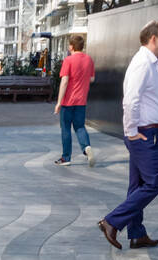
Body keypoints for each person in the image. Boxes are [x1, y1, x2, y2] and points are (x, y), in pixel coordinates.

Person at [99, 19, 158, 250]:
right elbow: (130, 100)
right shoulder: (143, 63)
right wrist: (131, 132)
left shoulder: (154, 63)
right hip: (145, 134)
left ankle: (137, 234)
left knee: (137, 186)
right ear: (153, 38)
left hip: (147, 132)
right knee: (154, 184)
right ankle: (112, 221)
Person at [54, 35, 96, 167]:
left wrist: (59, 102)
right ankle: (86, 147)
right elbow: (92, 79)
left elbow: (65, 81)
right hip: (81, 101)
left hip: (68, 102)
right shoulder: (89, 60)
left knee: (66, 128)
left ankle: (66, 158)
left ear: (71, 46)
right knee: (80, 127)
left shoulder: (68, 60)